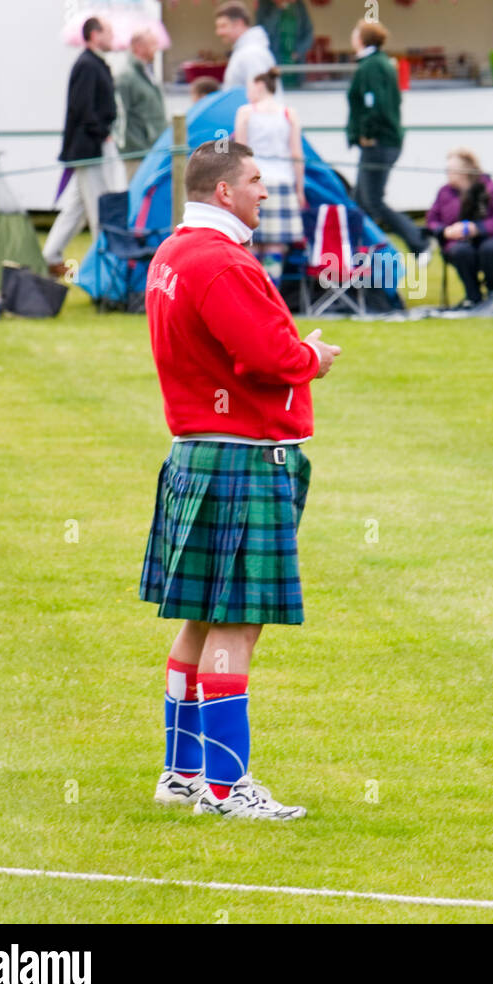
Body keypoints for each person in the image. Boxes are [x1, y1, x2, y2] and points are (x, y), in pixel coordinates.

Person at [141, 139, 341, 820]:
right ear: (223, 191)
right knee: (236, 621)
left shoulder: (172, 253)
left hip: (200, 449)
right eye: (256, 181)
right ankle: (228, 790)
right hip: (240, 454)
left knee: (201, 617)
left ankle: (182, 774)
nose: (265, 191)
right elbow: (263, 355)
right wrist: (311, 356)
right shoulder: (220, 262)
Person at [42, 16, 125, 276]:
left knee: (76, 207)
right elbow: (82, 105)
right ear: (94, 34)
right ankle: (105, 266)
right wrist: (101, 132)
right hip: (88, 148)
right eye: (109, 31)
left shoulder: (96, 63)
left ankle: (50, 254)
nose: (113, 37)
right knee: (97, 207)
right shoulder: (87, 65)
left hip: (92, 145)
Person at [346, 18, 427, 258]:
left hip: (379, 142)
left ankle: (418, 243)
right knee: (360, 201)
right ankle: (363, 256)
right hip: (384, 141)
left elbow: (375, 105)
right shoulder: (380, 63)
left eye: (354, 34)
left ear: (361, 39)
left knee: (373, 201)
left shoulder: (371, 66)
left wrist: (367, 134)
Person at [233, 68, 306, 280]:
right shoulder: (288, 113)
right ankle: (271, 292)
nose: (247, 94)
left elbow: (241, 152)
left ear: (260, 85)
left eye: (249, 88)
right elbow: (296, 154)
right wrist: (299, 189)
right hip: (283, 182)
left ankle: (252, 290)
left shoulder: (246, 112)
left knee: (250, 240)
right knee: (276, 243)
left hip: (254, 181)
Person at [426, 149, 493, 306]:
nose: (447, 173)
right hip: (459, 242)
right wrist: (445, 231)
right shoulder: (444, 192)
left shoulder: (492, 189)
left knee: (489, 249)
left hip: (492, 238)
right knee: (461, 251)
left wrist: (477, 228)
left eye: (450, 169)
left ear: (464, 171)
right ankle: (473, 297)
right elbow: (432, 219)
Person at [113, 30, 167, 181]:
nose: (157, 49)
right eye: (152, 45)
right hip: (137, 151)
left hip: (152, 149)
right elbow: (120, 115)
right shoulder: (126, 77)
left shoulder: (147, 73)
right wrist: (128, 147)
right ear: (138, 47)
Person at [256, 0, 314, 70]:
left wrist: (299, 51)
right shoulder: (265, 1)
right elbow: (263, 31)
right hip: (273, 61)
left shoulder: (298, 2)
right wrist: (277, 7)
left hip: (296, 62)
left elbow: (308, 31)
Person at [214, 0, 275, 91]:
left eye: (223, 26)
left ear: (239, 23)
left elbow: (261, 93)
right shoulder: (245, 51)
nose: (218, 32)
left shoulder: (251, 53)